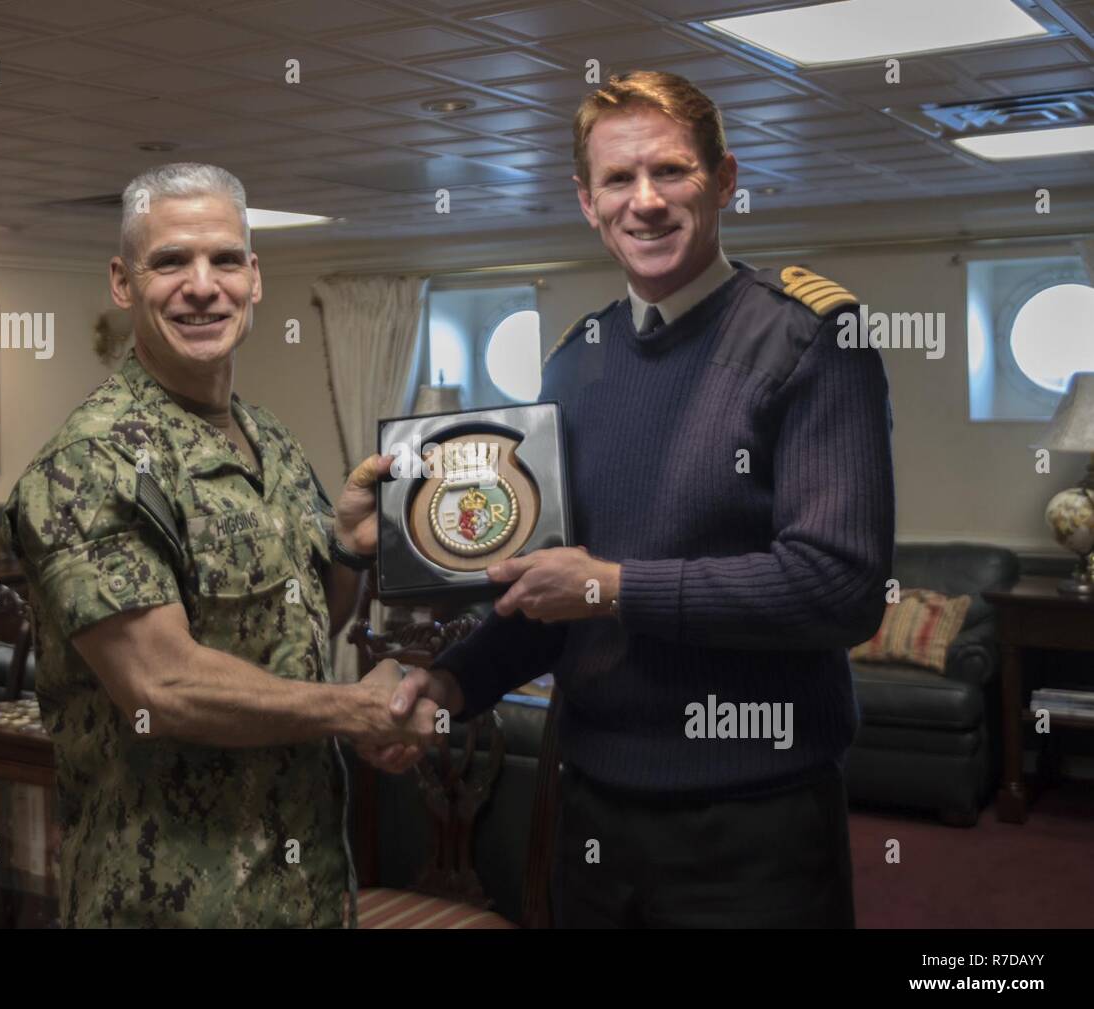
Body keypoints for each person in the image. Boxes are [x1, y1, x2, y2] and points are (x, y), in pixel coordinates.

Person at [368, 71, 896, 929]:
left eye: (671, 171)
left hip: (754, 820)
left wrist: (612, 586)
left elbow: (839, 588)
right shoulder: (575, 361)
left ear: (724, 181)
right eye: (618, 178)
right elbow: (549, 598)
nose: (644, 202)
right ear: (588, 201)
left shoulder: (813, 340)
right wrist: (451, 682)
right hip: (591, 812)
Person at [5, 163, 437, 929]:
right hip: (165, 904)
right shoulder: (91, 461)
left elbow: (306, 627)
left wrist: (346, 549)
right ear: (123, 282)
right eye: (170, 261)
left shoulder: (270, 439)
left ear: (254, 277)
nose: (202, 287)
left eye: (225, 259)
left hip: (303, 888)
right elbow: (162, 684)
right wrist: (354, 710)